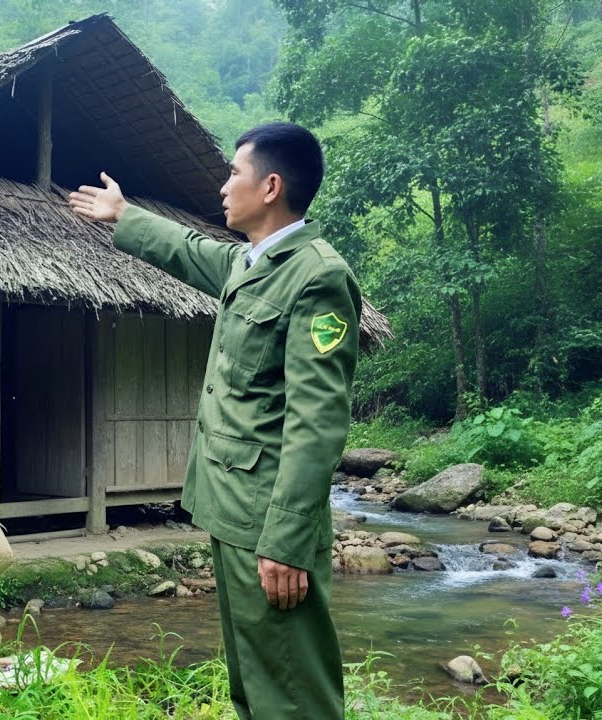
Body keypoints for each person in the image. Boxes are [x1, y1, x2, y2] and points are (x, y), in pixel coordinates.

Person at [69, 122, 359, 719]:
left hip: (266, 526)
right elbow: (186, 250)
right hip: (232, 509)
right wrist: (124, 215)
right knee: (253, 680)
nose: (224, 185)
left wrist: (287, 541)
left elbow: (317, 422)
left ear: (271, 186)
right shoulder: (253, 264)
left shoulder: (317, 276)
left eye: (234, 173)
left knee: (292, 692)